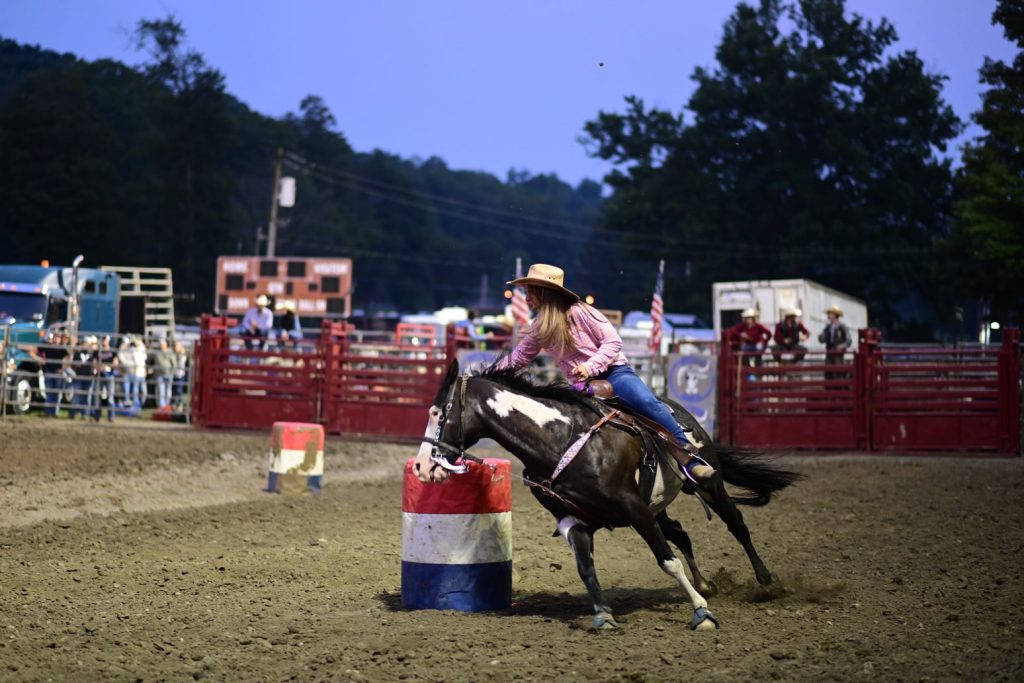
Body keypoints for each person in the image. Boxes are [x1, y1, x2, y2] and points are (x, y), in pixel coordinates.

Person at [497, 263, 715, 484]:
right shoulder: (539, 328)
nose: (526, 299)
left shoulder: (580, 312)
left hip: (615, 373)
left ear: (544, 293)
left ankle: (691, 460)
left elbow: (613, 342)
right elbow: (518, 359)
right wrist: (485, 374)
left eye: (529, 293)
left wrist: (589, 366)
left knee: (647, 403)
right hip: (582, 386)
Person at [818, 304, 851, 384]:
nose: (828, 315)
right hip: (829, 352)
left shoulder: (842, 327)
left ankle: (838, 391)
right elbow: (823, 338)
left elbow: (848, 340)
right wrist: (821, 337)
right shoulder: (828, 327)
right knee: (828, 372)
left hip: (838, 354)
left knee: (838, 372)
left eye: (830, 313)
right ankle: (829, 392)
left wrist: (841, 346)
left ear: (835, 315)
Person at [151, 338, 176, 409]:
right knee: (160, 390)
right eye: (160, 344)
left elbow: (173, 363)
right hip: (159, 374)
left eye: (163, 344)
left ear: (166, 344)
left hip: (168, 374)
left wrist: (172, 372)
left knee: (168, 390)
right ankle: (161, 406)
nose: (161, 345)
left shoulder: (170, 352)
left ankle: (167, 405)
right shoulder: (156, 353)